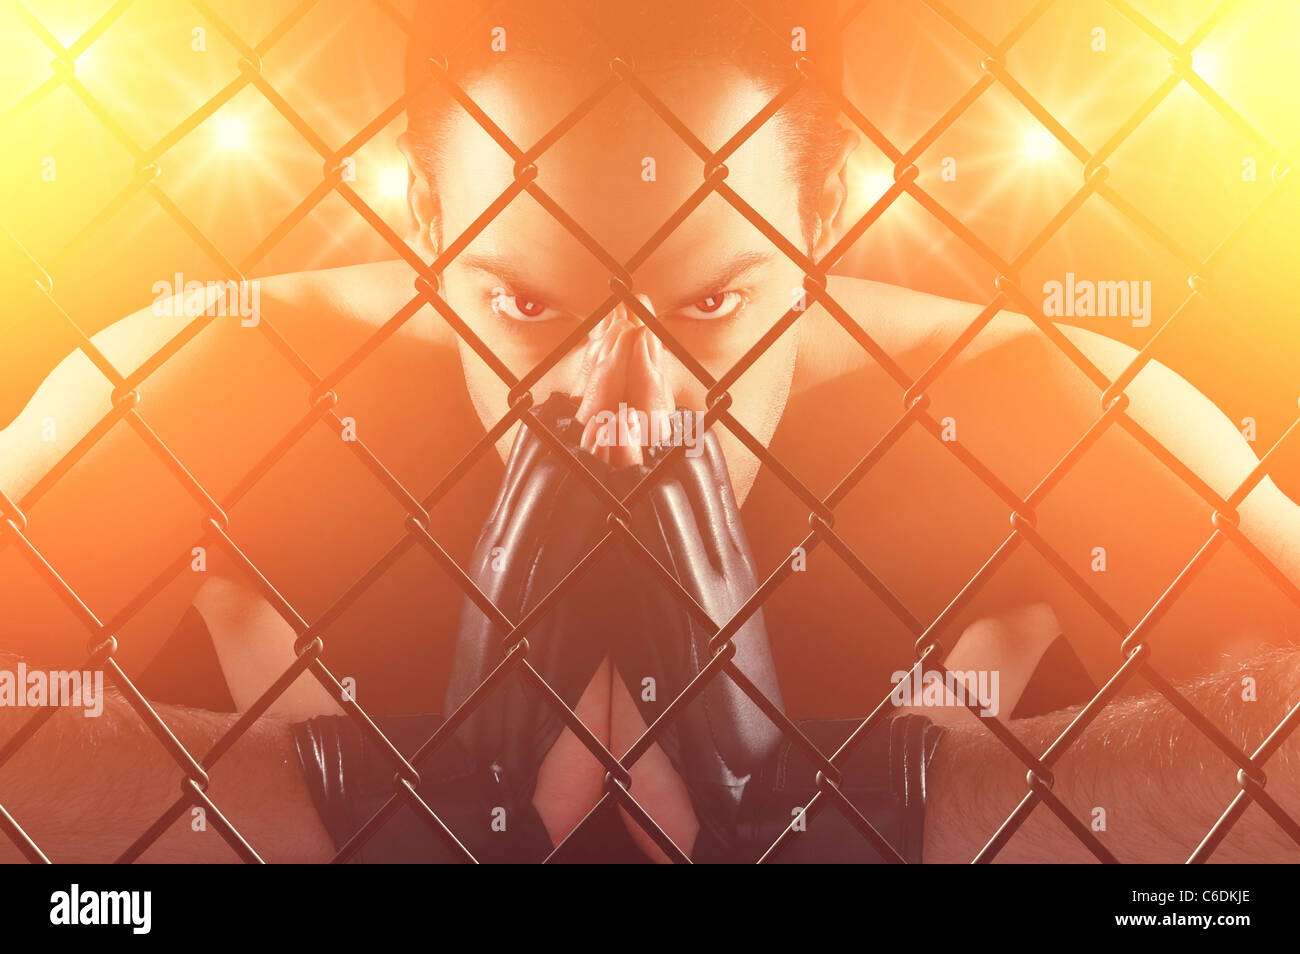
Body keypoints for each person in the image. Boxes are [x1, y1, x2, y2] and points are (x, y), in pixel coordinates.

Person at [0, 0, 1297, 863]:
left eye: (712, 303)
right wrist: (369, 800)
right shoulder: (228, 382)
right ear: (419, 212)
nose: (621, 423)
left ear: (825, 215)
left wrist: (870, 798)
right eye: (523, 303)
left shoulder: (1030, 399)